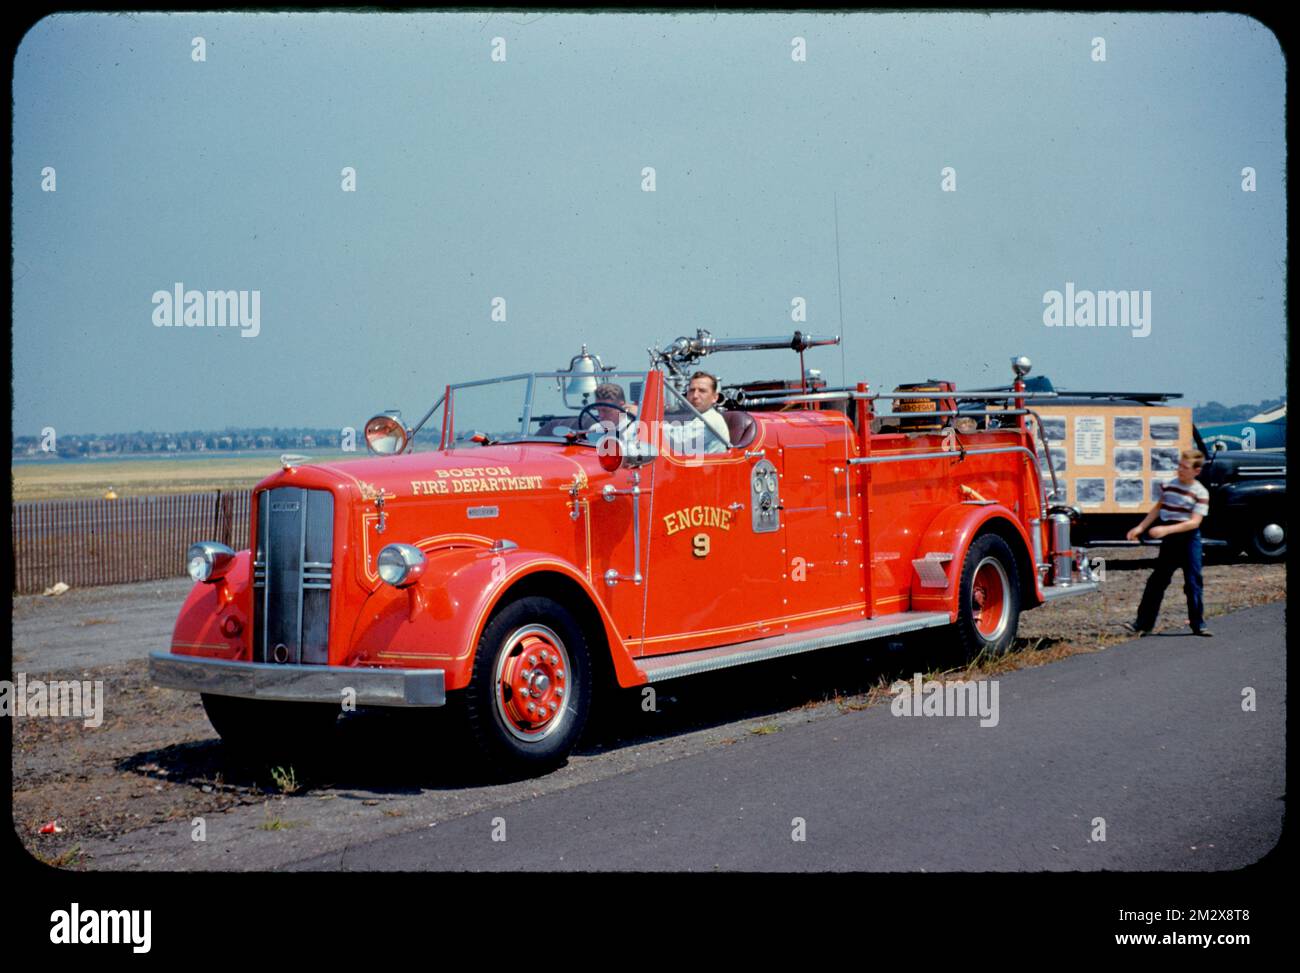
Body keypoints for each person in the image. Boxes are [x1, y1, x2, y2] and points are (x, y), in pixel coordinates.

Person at [1123, 449, 1213, 637]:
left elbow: (1194, 522)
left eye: (1185, 468)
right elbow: (1158, 508)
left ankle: (1198, 624)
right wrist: (1140, 527)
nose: (1180, 470)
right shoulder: (1169, 485)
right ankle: (1143, 624)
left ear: (1196, 471)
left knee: (1193, 582)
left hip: (1189, 539)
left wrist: (1165, 530)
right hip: (1171, 539)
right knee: (1157, 581)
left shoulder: (1200, 492)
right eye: (1179, 465)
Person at [666, 371, 730, 455]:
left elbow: (679, 440)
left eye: (702, 391)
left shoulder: (712, 419)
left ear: (714, 397)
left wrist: (651, 428)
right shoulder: (694, 417)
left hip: (710, 467)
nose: (695, 396)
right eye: (692, 390)